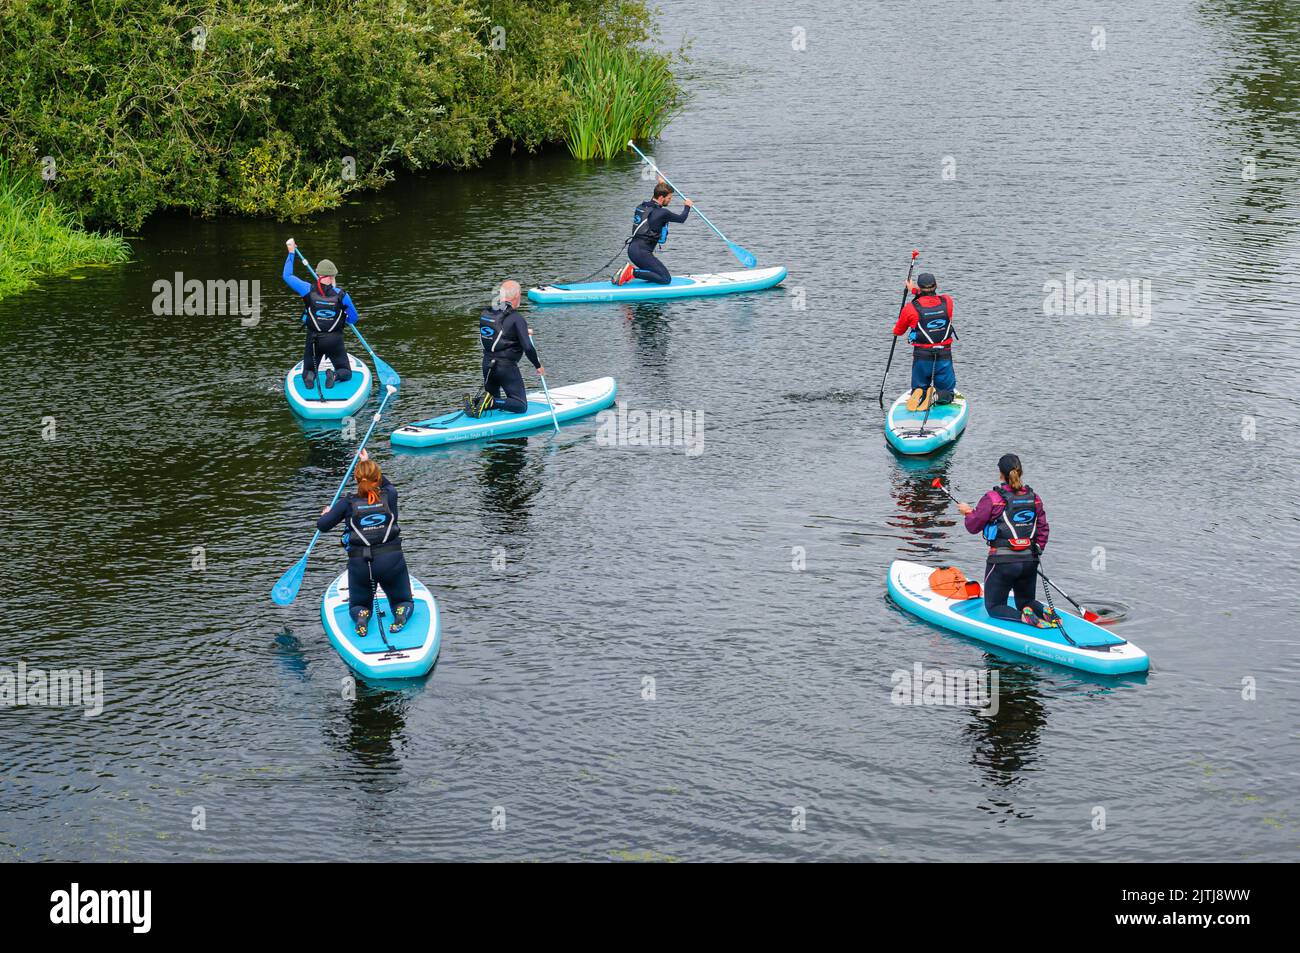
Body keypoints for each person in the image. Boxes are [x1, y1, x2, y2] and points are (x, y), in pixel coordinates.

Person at [317, 450, 415, 637]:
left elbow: (322, 526)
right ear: (377, 477)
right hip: (392, 562)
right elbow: (385, 483)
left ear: (356, 479)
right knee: (403, 600)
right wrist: (367, 461)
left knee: (359, 604)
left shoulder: (346, 503)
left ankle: (362, 617)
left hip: (361, 565)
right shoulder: (390, 495)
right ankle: (401, 614)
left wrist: (327, 514)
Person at [957, 454, 1058, 628]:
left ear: (1000, 474)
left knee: (995, 606)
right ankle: (1046, 613)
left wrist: (967, 512)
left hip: (1002, 563)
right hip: (1030, 561)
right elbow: (1043, 528)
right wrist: (1037, 549)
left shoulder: (993, 498)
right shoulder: (1034, 498)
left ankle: (1023, 618)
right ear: (1020, 472)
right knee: (1026, 600)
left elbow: (973, 526)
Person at [283, 238, 359, 389]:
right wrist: (342, 318)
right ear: (331, 277)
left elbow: (287, 276)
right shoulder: (342, 295)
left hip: (313, 340)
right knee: (346, 371)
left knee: (309, 370)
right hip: (334, 341)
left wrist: (291, 253)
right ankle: (335, 375)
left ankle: (310, 377)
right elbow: (354, 318)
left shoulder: (306, 289)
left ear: (318, 275)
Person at [464, 280, 544, 418]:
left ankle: (475, 401)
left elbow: (500, 333)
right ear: (517, 296)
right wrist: (538, 365)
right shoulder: (516, 318)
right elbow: (528, 347)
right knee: (520, 405)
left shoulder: (488, 313)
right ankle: (492, 401)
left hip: (487, 365)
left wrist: (523, 331)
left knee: (492, 402)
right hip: (506, 368)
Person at [892, 271, 956, 411]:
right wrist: (915, 290)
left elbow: (898, 331)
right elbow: (931, 300)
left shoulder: (910, 308)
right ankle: (936, 396)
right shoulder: (948, 302)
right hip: (944, 356)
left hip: (922, 358)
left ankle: (919, 393)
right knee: (949, 394)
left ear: (920, 289)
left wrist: (913, 290)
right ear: (936, 286)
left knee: (919, 387)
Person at [612, 181, 693, 286]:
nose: (670, 201)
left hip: (633, 250)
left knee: (655, 274)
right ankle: (631, 272)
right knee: (665, 279)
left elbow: (655, 200)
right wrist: (687, 206)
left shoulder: (643, 206)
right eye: (668, 198)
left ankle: (629, 272)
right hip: (641, 253)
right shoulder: (663, 213)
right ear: (661, 197)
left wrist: (662, 185)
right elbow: (682, 218)